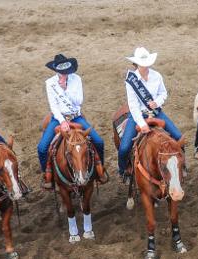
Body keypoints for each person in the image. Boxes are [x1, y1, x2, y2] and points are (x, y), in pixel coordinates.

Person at [37, 54, 107, 189]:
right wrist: (62, 121)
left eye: (66, 71)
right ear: (56, 70)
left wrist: (65, 90)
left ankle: (100, 171)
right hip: (58, 118)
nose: (64, 74)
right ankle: (47, 174)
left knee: (98, 141)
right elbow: (53, 106)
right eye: (62, 71)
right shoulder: (50, 83)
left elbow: (79, 101)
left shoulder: (76, 79)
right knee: (42, 147)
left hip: (76, 116)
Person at [118, 47, 183, 183]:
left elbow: (163, 93)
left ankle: (180, 166)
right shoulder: (131, 80)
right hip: (138, 115)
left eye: (147, 63)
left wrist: (157, 102)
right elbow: (133, 105)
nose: (145, 66)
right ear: (136, 64)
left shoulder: (157, 76)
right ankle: (123, 171)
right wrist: (142, 124)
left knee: (178, 137)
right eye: (143, 64)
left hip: (156, 113)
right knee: (124, 148)